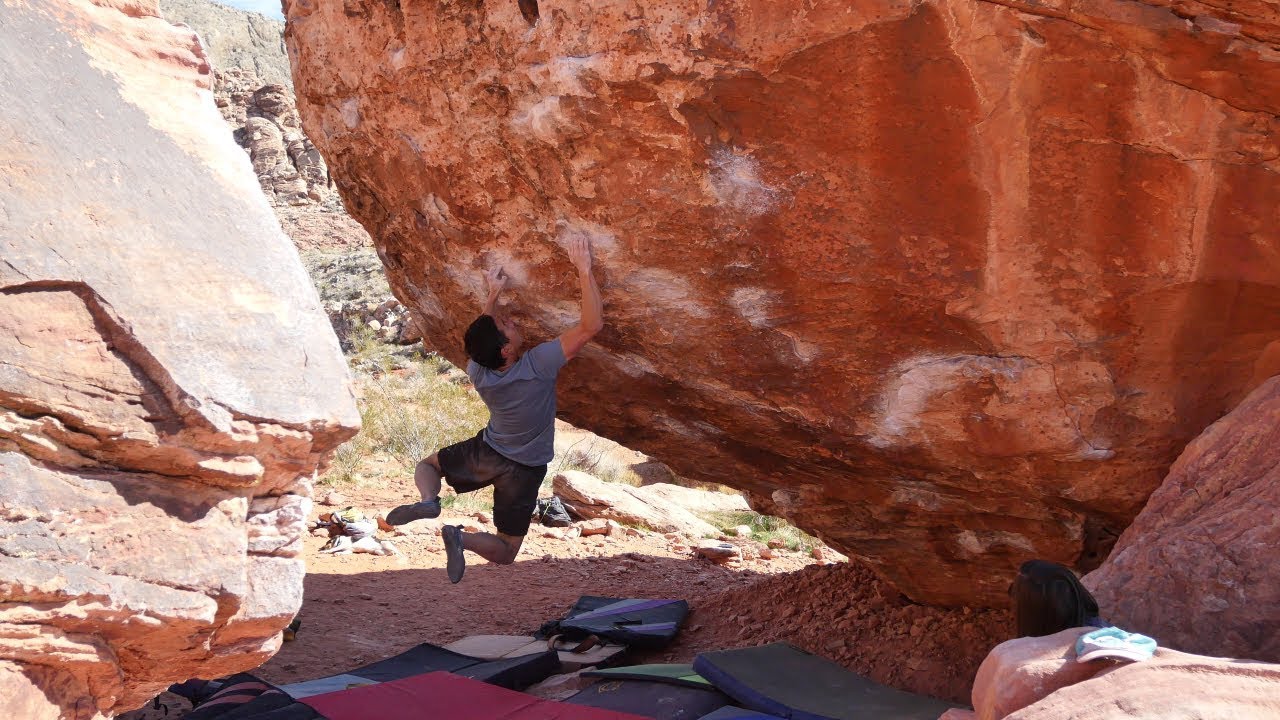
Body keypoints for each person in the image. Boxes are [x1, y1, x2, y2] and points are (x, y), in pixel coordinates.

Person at [385, 235, 604, 583]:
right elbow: (591, 326)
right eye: (506, 327)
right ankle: (460, 537)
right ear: (505, 351)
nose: (511, 322)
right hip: (525, 470)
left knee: (429, 466)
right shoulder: (538, 364)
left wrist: (492, 296)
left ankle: (429, 499)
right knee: (506, 552)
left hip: (488, 452)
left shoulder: (479, 372)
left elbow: (482, 338)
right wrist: (583, 268)